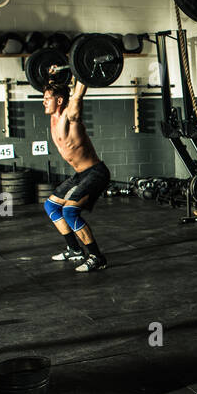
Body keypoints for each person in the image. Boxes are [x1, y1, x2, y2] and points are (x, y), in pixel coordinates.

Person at [39, 64, 110, 272]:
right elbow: (51, 87)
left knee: (70, 211)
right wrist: (51, 74)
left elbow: (78, 94)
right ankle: (74, 249)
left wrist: (84, 65)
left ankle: (97, 257)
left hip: (96, 173)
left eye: (47, 98)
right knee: (51, 206)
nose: (43, 101)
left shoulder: (70, 115)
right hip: (80, 174)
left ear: (59, 101)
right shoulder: (53, 115)